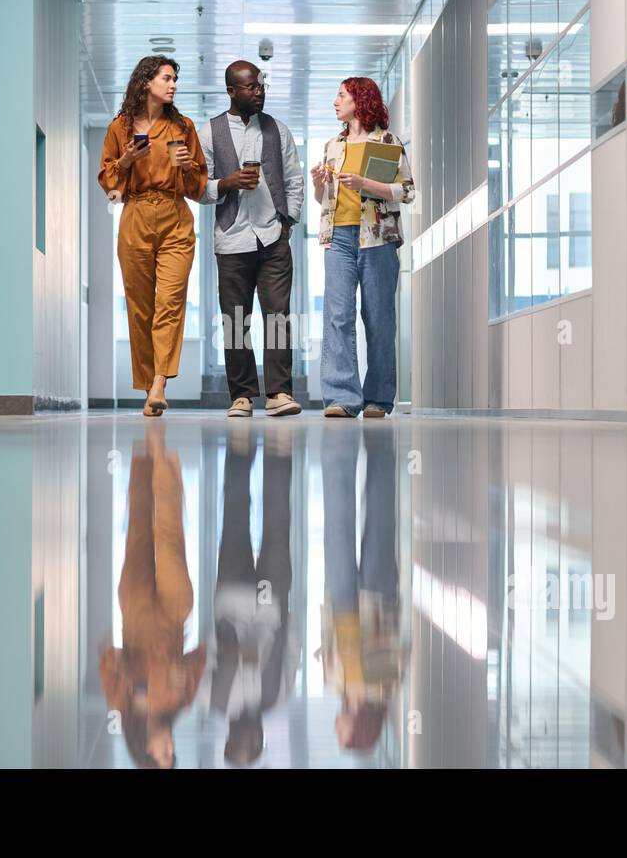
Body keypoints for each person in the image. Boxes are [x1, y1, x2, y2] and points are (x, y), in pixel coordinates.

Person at [98, 55, 208, 416]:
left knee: (171, 302)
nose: (173, 84)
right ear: (147, 82)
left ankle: (160, 380)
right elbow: (108, 181)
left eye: (175, 78)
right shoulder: (121, 128)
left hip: (175, 216)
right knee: (140, 307)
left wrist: (188, 169)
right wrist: (128, 159)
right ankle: (148, 386)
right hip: (136, 215)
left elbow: (197, 186)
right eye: (166, 78)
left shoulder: (184, 127)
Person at [198, 61, 305, 419]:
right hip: (231, 238)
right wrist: (227, 183)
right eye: (251, 87)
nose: (259, 91)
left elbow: (294, 179)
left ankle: (278, 393)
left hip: (272, 236)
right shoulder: (209, 132)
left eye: (261, 86)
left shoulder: (278, 130)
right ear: (231, 91)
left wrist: (287, 221)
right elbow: (199, 188)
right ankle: (242, 395)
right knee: (235, 319)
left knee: (277, 316)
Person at [98, 423, 206, 768]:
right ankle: (161, 455)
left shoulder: (121, 705)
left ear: (145, 750)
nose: (170, 748)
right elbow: (202, 654)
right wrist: (179, 669)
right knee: (169, 535)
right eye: (174, 754)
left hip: (135, 610)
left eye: (164, 754)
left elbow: (106, 656)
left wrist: (127, 674)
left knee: (139, 528)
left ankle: (144, 458)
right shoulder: (181, 704)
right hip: (175, 613)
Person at [310, 77, 415, 418]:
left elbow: (408, 191)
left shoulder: (386, 141)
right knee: (338, 317)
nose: (335, 101)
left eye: (340, 95)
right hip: (338, 237)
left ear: (360, 99)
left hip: (377, 238)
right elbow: (323, 200)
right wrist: (319, 185)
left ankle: (378, 399)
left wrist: (365, 183)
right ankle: (341, 397)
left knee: (378, 317)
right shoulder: (332, 146)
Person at [199, 424, 299, 766]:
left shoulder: (212, 699)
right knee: (277, 524)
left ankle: (239, 451)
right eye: (255, 744)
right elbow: (291, 649)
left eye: (243, 743)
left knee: (235, 516)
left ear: (229, 740)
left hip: (231, 595)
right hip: (270, 600)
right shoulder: (276, 697)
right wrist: (283, 614)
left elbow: (207, 649)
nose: (253, 736)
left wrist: (238, 651)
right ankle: (279, 453)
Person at [318, 422, 406, 753]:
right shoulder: (384, 689)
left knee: (337, 525)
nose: (335, 728)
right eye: (342, 736)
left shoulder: (341, 688)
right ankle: (380, 451)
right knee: (381, 518)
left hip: (340, 610)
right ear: (357, 729)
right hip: (378, 605)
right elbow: (394, 647)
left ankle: (347, 454)